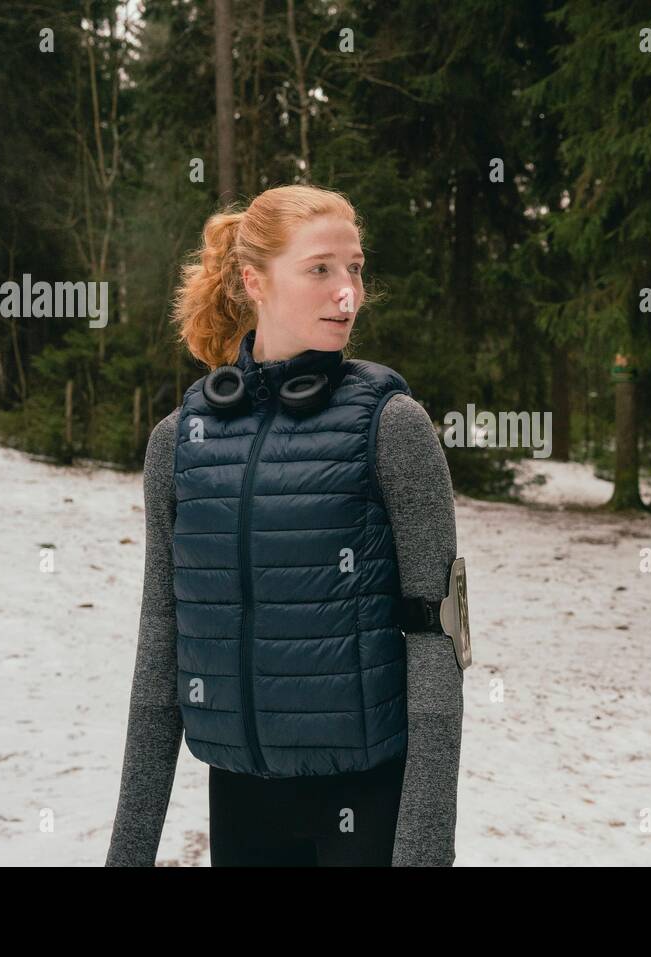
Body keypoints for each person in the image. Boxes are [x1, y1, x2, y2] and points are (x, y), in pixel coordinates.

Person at [104, 184, 464, 867]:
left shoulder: (393, 429)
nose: (347, 292)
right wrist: (128, 853)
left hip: (365, 804)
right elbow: (161, 649)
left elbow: (438, 643)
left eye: (355, 268)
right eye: (321, 268)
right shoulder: (180, 443)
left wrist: (422, 849)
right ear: (253, 279)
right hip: (240, 802)